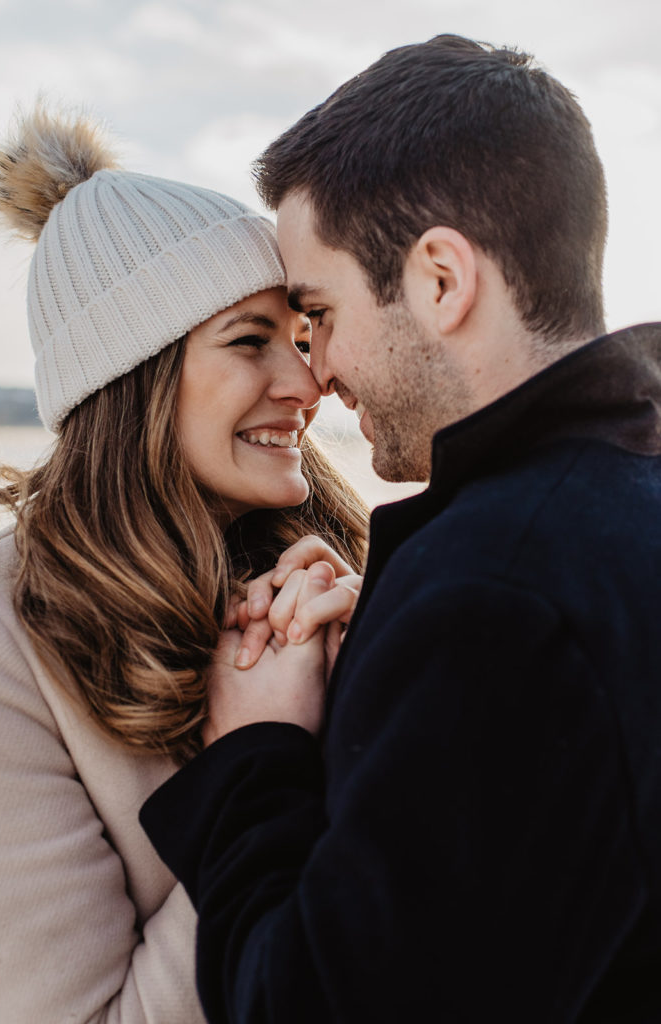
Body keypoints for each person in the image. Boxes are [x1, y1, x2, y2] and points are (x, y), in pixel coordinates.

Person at [138, 34, 661, 1023]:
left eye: (320, 314)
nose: (316, 372)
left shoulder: (494, 596)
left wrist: (258, 753)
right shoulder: (624, 506)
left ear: (440, 280)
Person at [0, 104, 368, 1023]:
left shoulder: (325, 575)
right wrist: (262, 761)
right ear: (134, 377)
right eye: (249, 340)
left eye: (300, 336)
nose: (307, 382)